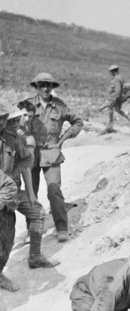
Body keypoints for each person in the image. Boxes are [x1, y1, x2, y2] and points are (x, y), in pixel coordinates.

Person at [24, 72, 84, 243]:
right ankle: (32, 230)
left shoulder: (60, 106)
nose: (44, 88)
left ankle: (62, 228)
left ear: (52, 87)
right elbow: (12, 122)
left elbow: (78, 122)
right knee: (31, 193)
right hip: (31, 154)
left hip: (52, 152)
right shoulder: (27, 105)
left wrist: (63, 139)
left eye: (48, 85)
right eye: (41, 85)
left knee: (54, 192)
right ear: (36, 87)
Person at [2, 103, 58, 273]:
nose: (17, 123)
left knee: (38, 213)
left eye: (18, 120)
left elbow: (27, 162)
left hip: (12, 190)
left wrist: (30, 193)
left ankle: (34, 256)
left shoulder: (14, 139)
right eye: (14, 120)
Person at [0, 100, 19, 292]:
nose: (1, 121)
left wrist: (13, 176)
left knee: (6, 241)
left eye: (4, 118)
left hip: (6, 200)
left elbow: (27, 158)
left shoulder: (12, 139)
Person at [99, 65, 130, 135]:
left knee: (109, 108)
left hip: (116, 97)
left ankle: (110, 126)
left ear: (113, 71)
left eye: (111, 72)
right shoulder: (119, 77)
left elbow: (118, 90)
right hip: (118, 97)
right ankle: (129, 120)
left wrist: (113, 100)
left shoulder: (116, 79)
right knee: (118, 110)